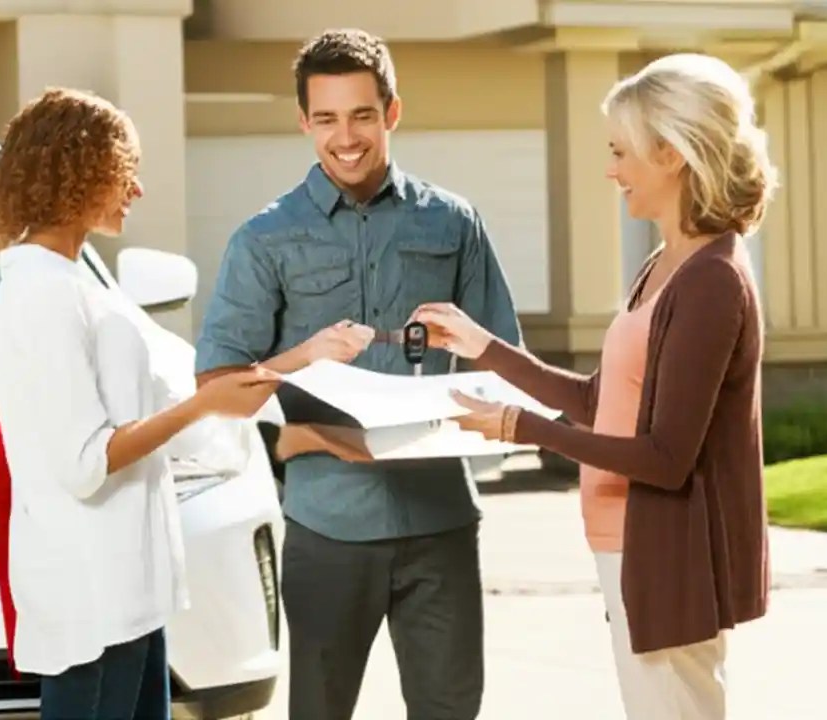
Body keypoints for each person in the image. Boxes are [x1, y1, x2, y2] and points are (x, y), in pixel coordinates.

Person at [288, 53, 774, 720]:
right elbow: (601, 402)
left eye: (620, 151)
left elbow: (666, 457)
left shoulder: (711, 281)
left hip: (669, 553)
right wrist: (485, 349)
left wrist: (521, 430)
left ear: (671, 154)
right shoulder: (666, 264)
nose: (612, 170)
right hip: (626, 545)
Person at [194, 29, 521, 720]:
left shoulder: (454, 223)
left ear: (392, 112)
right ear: (303, 122)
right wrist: (301, 369)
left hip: (441, 524)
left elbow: (503, 364)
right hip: (326, 528)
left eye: (362, 115)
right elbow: (217, 388)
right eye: (326, 119)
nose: (346, 137)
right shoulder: (265, 239)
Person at [0, 87, 281, 720]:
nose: (136, 190)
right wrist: (203, 408)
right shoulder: (42, 296)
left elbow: (165, 401)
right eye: (126, 171)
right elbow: (85, 462)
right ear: (76, 172)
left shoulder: (80, 284)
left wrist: (276, 370)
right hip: (90, 597)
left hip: (131, 593)